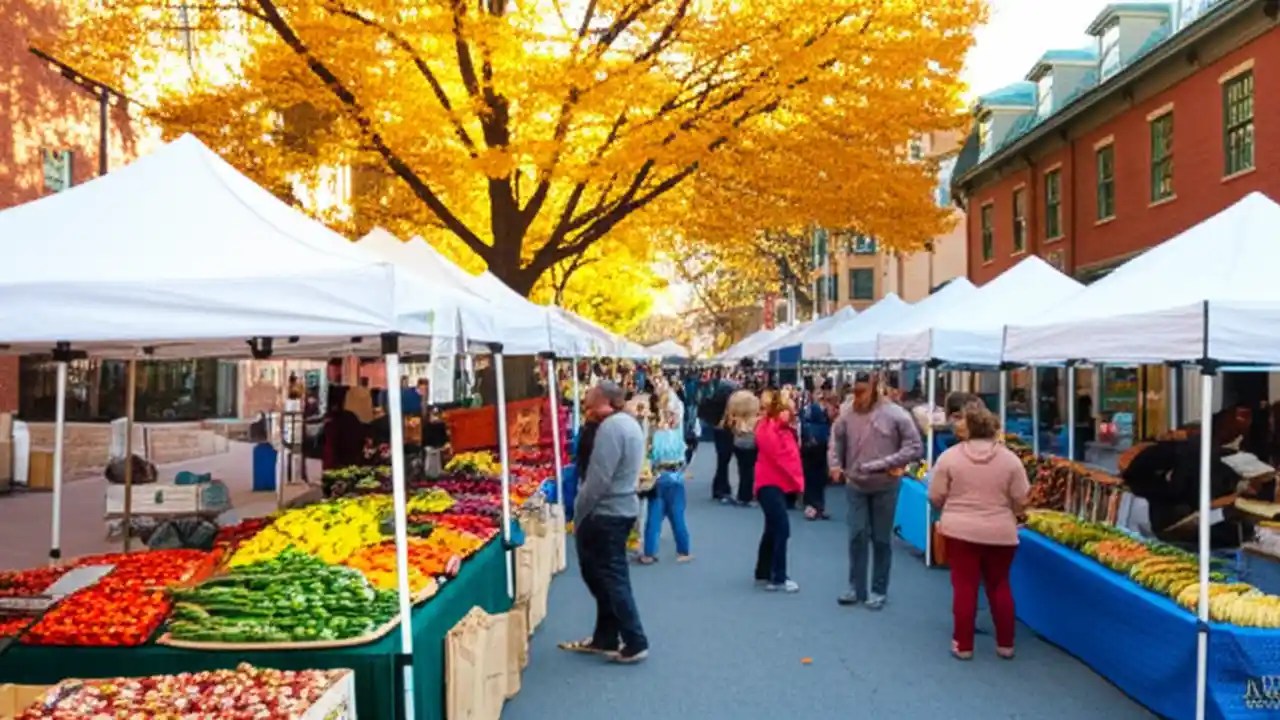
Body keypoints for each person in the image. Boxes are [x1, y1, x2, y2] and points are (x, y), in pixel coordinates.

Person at [928, 400, 1030, 660]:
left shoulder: (949, 457)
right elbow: (1022, 498)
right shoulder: (1010, 460)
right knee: (999, 585)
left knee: (965, 586)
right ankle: (1005, 644)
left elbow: (936, 495)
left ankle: (963, 645)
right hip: (1000, 530)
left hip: (960, 530)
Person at [560, 382, 649, 663]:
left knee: (609, 577)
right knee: (605, 576)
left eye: (590, 398)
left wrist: (579, 510)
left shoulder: (612, 429)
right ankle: (606, 636)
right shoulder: (629, 424)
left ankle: (635, 640)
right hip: (620, 508)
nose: (585, 402)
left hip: (606, 512)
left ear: (603, 401)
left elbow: (598, 479)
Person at [829, 372, 923, 609]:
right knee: (857, 534)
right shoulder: (847, 413)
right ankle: (855, 586)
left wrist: (885, 464)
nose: (857, 396)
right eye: (855, 391)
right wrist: (834, 464)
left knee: (881, 538)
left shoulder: (895, 414)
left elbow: (914, 447)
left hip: (884, 484)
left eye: (862, 391)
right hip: (856, 482)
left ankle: (879, 589)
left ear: (875, 389)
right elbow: (835, 439)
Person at [753, 391, 804, 592]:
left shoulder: (774, 428)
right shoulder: (770, 429)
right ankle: (778, 576)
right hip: (770, 482)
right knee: (781, 528)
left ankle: (764, 570)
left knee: (773, 527)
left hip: (772, 482)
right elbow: (783, 456)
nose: (791, 414)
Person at [638, 397, 692, 564]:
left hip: (658, 477)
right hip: (676, 477)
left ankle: (649, 552)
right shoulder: (677, 434)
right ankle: (683, 551)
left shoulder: (654, 435)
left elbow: (649, 456)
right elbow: (684, 455)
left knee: (654, 517)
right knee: (678, 517)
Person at [700, 375, 738, 501]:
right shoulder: (727, 402)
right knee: (724, 461)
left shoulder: (715, 400)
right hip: (726, 431)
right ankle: (722, 488)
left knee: (722, 461)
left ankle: (720, 487)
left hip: (719, 431)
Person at [723, 389, 762, 506]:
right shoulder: (755, 420)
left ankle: (742, 494)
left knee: (742, 470)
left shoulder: (735, 420)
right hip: (751, 446)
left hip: (739, 445)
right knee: (749, 471)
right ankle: (748, 495)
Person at [800, 389, 834, 520]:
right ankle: (813, 506)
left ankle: (817, 506)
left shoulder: (811, 414)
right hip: (814, 451)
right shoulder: (811, 411)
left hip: (817, 450)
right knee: (813, 479)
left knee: (818, 479)